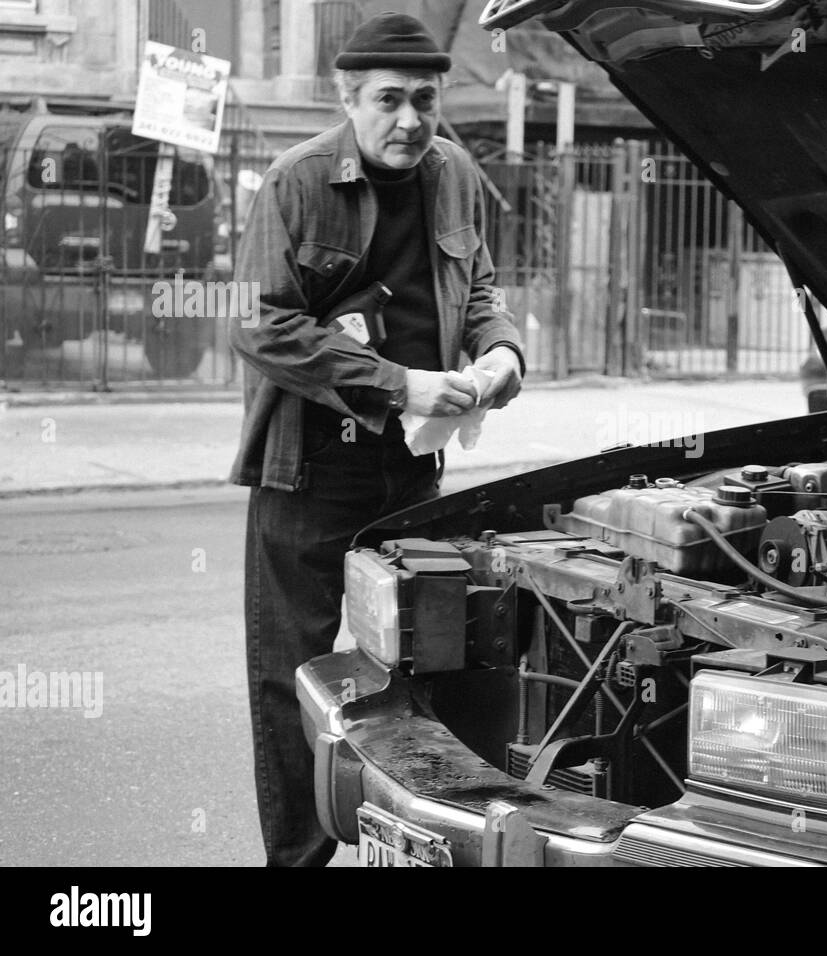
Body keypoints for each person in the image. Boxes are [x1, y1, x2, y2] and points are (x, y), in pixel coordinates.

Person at [227, 11, 525, 866]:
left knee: (430, 670)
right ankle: (297, 862)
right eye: (388, 101)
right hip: (310, 472)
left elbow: (479, 289)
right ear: (347, 98)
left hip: (415, 472)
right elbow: (260, 326)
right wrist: (399, 384)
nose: (409, 121)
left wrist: (500, 347)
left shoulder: (455, 173)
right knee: (295, 683)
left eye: (425, 101)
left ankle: (423, 843)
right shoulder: (296, 179)